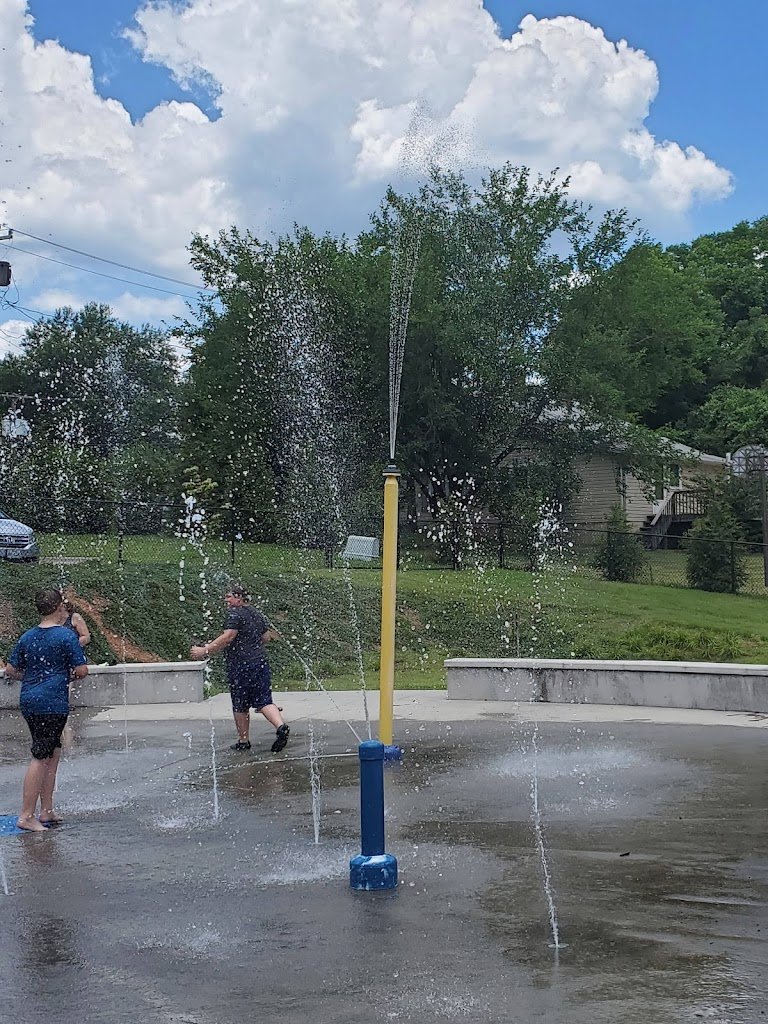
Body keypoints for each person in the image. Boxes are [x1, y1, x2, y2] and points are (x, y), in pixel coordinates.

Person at [1, 588, 88, 832]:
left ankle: (47, 810)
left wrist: (31, 678)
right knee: (41, 755)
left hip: (30, 699)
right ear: (59, 607)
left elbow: (10, 670)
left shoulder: (28, 636)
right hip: (52, 702)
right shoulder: (65, 637)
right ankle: (27, 815)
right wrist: (64, 676)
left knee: (52, 752)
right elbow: (81, 670)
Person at [190, 585, 290, 754]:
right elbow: (266, 637)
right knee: (264, 700)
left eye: (229, 597)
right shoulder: (256, 613)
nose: (226, 600)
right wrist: (250, 642)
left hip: (241, 665)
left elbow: (228, 637)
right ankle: (281, 726)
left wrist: (204, 650)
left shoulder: (234, 614)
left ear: (239, 598)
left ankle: (243, 741)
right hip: (260, 662)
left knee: (240, 703)